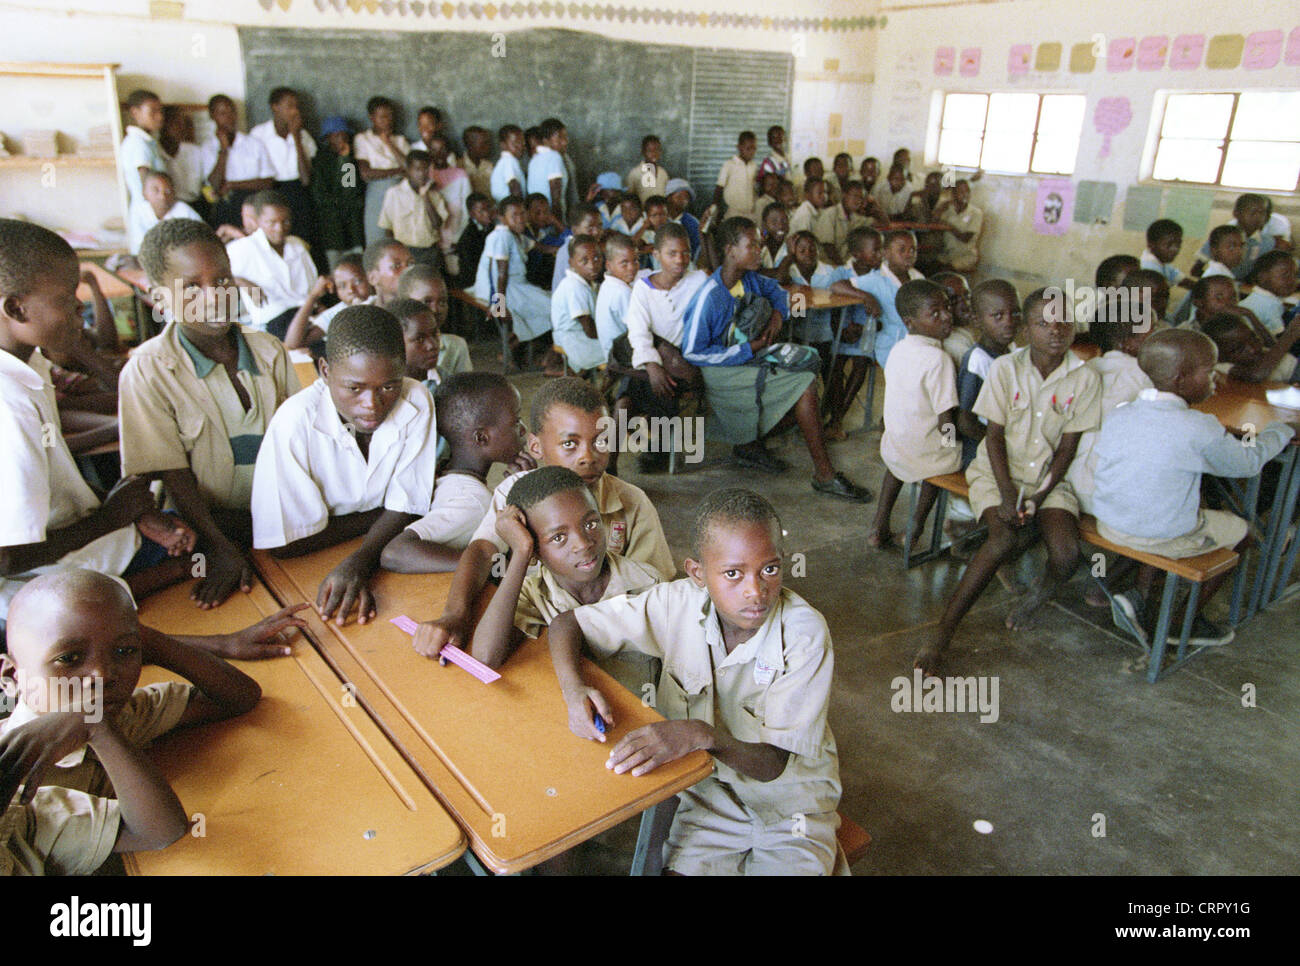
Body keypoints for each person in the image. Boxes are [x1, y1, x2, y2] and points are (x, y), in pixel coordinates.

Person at [547, 488, 844, 876]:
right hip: (709, 801)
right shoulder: (676, 603)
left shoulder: (804, 634)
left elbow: (773, 764)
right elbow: (567, 624)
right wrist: (574, 691)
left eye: (769, 568)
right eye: (733, 574)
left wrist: (702, 735)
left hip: (793, 809)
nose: (755, 591)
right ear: (697, 574)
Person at [0, 570, 263, 874]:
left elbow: (238, 696)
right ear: (11, 678)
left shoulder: (119, 716)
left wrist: (148, 642)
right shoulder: (13, 777)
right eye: (70, 659)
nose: (103, 675)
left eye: (124, 652)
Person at [0, 220, 198, 619]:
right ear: (16, 308)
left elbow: (54, 484)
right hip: (36, 583)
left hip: (75, 539)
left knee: (197, 526)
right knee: (216, 534)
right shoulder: (10, 404)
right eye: (66, 299)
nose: (80, 309)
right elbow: (6, 561)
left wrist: (132, 512)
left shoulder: (28, 364)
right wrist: (113, 516)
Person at [411, 377, 675, 659]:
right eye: (570, 444)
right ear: (536, 446)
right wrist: (455, 615)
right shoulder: (515, 492)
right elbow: (482, 551)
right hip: (527, 630)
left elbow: (652, 603)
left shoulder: (632, 504)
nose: (588, 456)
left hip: (608, 647)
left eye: (601, 441)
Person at [915, 288, 1103, 676]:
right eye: (1043, 323)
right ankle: (941, 635)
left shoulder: (1084, 378)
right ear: (1027, 328)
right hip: (997, 471)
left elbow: (1067, 450)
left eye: (1064, 322)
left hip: (1050, 478)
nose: (1055, 330)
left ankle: (1039, 595)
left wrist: (1039, 496)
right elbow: (994, 437)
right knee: (1002, 539)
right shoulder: (1006, 369)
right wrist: (1007, 497)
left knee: (1067, 555)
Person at [122, 219, 299, 608]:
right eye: (192, 288)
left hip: (281, 523)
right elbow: (173, 473)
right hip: (209, 529)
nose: (215, 297)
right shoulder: (150, 370)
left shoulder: (269, 351)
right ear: (159, 298)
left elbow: (298, 442)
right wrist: (218, 546)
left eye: (222, 280)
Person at [1093, 329, 1296, 646]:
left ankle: (1142, 596)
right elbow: (1248, 463)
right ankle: (1180, 622)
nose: (1216, 376)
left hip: (1109, 523)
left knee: (1175, 499)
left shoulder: (1123, 413)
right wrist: (1279, 431)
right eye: (1209, 370)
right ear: (1180, 379)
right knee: (1244, 532)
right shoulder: (1198, 427)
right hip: (1153, 532)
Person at [251, 305, 438, 626]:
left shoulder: (416, 399)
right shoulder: (295, 423)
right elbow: (284, 545)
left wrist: (361, 561)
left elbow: (408, 506)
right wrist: (388, 513)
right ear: (324, 371)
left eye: (388, 386)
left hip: (376, 552)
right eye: (354, 388)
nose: (372, 404)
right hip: (311, 565)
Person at [681, 216, 873, 502]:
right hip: (721, 369)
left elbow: (781, 294)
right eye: (753, 245)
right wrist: (750, 348)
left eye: (759, 244)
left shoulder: (752, 280)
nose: (760, 250)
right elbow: (692, 351)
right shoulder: (710, 295)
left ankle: (750, 444)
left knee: (809, 366)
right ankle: (824, 475)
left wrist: (777, 314)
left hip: (748, 358)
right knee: (804, 386)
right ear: (731, 250)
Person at [469, 466, 663, 670]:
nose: (583, 544)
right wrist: (521, 553)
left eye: (590, 524)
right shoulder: (535, 594)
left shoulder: (648, 583)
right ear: (535, 550)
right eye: (558, 537)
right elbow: (486, 656)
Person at [381, 373, 524, 574]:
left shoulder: (442, 474)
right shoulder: (473, 501)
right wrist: (491, 566)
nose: (524, 430)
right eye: (516, 422)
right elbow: (395, 553)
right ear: (482, 437)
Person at [867, 280, 961, 548]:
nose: (946, 316)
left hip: (894, 446)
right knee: (941, 463)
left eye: (947, 308)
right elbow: (946, 421)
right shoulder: (939, 359)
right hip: (925, 453)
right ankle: (914, 529)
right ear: (910, 322)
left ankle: (878, 525)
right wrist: (951, 445)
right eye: (935, 313)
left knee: (900, 459)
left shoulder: (898, 349)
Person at [225, 190, 316, 340]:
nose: (279, 229)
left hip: (305, 314)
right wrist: (241, 282)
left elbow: (311, 287)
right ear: (258, 221)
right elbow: (218, 278)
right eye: (271, 223)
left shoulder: (297, 246)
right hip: (274, 321)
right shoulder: (242, 248)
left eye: (285, 222)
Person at [248, 87, 321, 269]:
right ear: (275, 107)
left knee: (300, 241)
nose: (295, 111)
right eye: (289, 106)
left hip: (298, 191)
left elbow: (305, 178)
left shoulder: (303, 136)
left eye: (296, 107)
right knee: (273, 240)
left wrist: (296, 137)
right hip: (269, 191)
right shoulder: (259, 135)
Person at [823, 227, 885, 440]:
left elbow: (882, 311)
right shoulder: (840, 273)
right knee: (836, 365)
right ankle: (830, 416)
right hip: (840, 331)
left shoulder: (880, 276)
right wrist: (846, 327)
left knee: (861, 364)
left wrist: (866, 327)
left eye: (881, 250)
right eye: (875, 250)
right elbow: (829, 303)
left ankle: (836, 419)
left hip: (867, 334)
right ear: (856, 254)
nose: (880, 255)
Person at [473, 196, 552, 361]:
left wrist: (568, 245)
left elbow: (543, 248)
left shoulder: (515, 235)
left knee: (550, 305)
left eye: (523, 214)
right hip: (502, 288)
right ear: (503, 218)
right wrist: (499, 304)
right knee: (554, 307)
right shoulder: (502, 236)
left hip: (513, 286)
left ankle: (511, 345)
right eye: (514, 215)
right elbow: (500, 275)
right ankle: (515, 348)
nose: (521, 219)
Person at [955, 279, 1019, 468]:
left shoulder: (1013, 350)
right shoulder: (978, 360)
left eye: (1014, 313)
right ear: (977, 320)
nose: (1009, 322)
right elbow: (965, 422)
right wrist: (1002, 446)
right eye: (998, 316)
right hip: (979, 450)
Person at [847, 229, 924, 370]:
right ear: (886, 253)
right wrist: (867, 297)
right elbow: (838, 285)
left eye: (913, 250)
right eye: (902, 250)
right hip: (890, 346)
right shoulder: (877, 279)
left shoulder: (918, 277)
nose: (909, 255)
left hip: (917, 343)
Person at [200, 94, 276, 232]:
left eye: (232, 112)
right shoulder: (207, 148)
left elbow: (268, 182)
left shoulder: (254, 144)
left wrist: (232, 185)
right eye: (222, 113)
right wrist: (223, 150)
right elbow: (214, 185)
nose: (229, 118)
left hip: (254, 205)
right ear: (212, 116)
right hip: (225, 208)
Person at [396, 264, 472, 381]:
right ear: (405, 301)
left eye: (442, 302)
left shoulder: (456, 346)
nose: (436, 310)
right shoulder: (394, 345)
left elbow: (466, 389)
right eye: (426, 302)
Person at [311, 116, 367, 268]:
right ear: (328, 138)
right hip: (331, 225)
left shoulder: (350, 159)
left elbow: (350, 190)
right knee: (336, 266)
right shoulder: (320, 161)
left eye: (345, 136)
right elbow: (320, 196)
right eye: (336, 136)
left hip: (351, 224)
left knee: (356, 264)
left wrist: (345, 160)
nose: (342, 140)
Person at [378, 150, 447, 268]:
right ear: (408, 170)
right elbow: (387, 228)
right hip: (405, 252)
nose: (422, 174)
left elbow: (437, 224)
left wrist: (425, 197)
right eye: (417, 169)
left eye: (426, 169)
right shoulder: (394, 194)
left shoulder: (435, 196)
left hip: (430, 252)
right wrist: (394, 254)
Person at [550, 235, 606, 374]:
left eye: (597, 258)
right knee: (623, 353)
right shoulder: (575, 287)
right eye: (584, 261)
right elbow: (590, 330)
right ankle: (603, 391)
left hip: (575, 336)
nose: (592, 265)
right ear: (571, 262)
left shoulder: (584, 281)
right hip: (575, 340)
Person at [1201, 312, 1300, 384]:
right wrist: (1290, 335)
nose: (1253, 349)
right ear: (1219, 356)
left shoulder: (1262, 353)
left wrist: (1250, 315)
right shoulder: (1222, 366)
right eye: (1239, 349)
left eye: (1254, 338)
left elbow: (1274, 345)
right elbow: (1256, 375)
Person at [118, 90, 166, 229]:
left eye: (160, 111)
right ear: (135, 112)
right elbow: (147, 183)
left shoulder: (148, 141)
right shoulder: (138, 143)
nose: (160, 117)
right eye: (153, 112)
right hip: (150, 212)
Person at [127, 170, 202, 256]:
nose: (162, 196)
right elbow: (138, 245)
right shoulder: (138, 212)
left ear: (174, 193)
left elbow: (201, 234)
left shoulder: (184, 210)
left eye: (167, 191)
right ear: (144, 193)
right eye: (156, 190)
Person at [158, 106, 206, 221]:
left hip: (196, 205)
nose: (181, 128)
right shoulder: (156, 152)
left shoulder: (194, 151)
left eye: (183, 124)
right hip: (169, 207)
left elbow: (204, 183)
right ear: (163, 126)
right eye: (175, 124)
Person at [1239, 250, 1298, 337]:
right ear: (1263, 277)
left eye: (1295, 275)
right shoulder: (1270, 306)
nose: (1292, 280)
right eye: (1285, 275)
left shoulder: (1258, 297)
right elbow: (1279, 341)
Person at [933, 179, 983, 274]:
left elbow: (966, 238)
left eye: (967, 191)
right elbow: (933, 223)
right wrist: (940, 209)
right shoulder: (947, 209)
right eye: (960, 192)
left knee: (946, 271)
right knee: (929, 267)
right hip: (947, 254)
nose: (964, 195)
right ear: (953, 194)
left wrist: (949, 227)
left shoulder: (976, 213)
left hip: (965, 255)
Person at [527, 118, 570, 223]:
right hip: (551, 218)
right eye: (559, 138)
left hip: (537, 218)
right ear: (546, 141)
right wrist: (558, 225)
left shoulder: (534, 159)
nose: (565, 142)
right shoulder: (554, 157)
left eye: (565, 137)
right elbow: (555, 196)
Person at [713, 131, 759, 221]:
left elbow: (754, 188)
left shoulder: (754, 166)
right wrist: (716, 209)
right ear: (739, 147)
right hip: (733, 212)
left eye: (754, 148)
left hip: (751, 213)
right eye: (748, 148)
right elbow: (719, 188)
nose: (752, 152)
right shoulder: (729, 165)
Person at [1140, 218, 1190, 291]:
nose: (1175, 249)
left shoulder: (1161, 262)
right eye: (1169, 245)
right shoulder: (1150, 269)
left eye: (1178, 244)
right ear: (1151, 245)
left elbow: (1181, 280)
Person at [363, 238, 413, 306]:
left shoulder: (425, 310)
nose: (408, 270)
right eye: (396, 266)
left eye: (411, 264)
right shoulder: (360, 315)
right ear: (373, 278)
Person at [625, 135, 670, 203]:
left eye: (657, 150)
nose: (654, 154)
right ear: (643, 152)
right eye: (650, 151)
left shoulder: (663, 173)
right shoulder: (635, 174)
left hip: (660, 212)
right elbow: (630, 198)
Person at [665, 178, 702, 260]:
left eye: (687, 198)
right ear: (669, 197)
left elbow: (697, 250)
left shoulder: (693, 223)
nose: (684, 200)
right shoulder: (659, 218)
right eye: (679, 196)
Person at [490, 124, 526, 203]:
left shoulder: (505, 161)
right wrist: (521, 207)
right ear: (503, 145)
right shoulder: (509, 161)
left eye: (522, 142)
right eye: (515, 143)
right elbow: (514, 186)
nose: (521, 146)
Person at [460, 126, 495, 198]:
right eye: (483, 144)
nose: (488, 147)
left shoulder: (489, 165)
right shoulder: (459, 166)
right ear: (470, 145)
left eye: (488, 143)